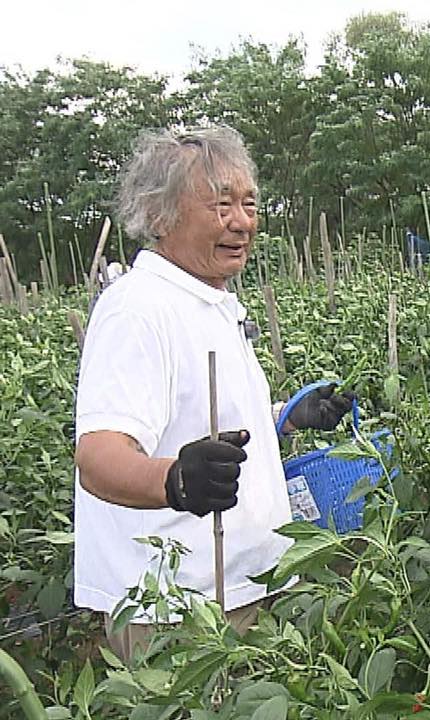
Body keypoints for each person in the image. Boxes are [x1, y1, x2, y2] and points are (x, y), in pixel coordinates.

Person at [74, 126, 356, 662]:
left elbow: (198, 421)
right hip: (182, 612)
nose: (242, 222)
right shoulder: (139, 310)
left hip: (241, 588)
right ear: (159, 215)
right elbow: (99, 456)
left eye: (249, 204)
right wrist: (175, 481)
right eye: (221, 206)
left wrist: (285, 419)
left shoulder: (207, 300)